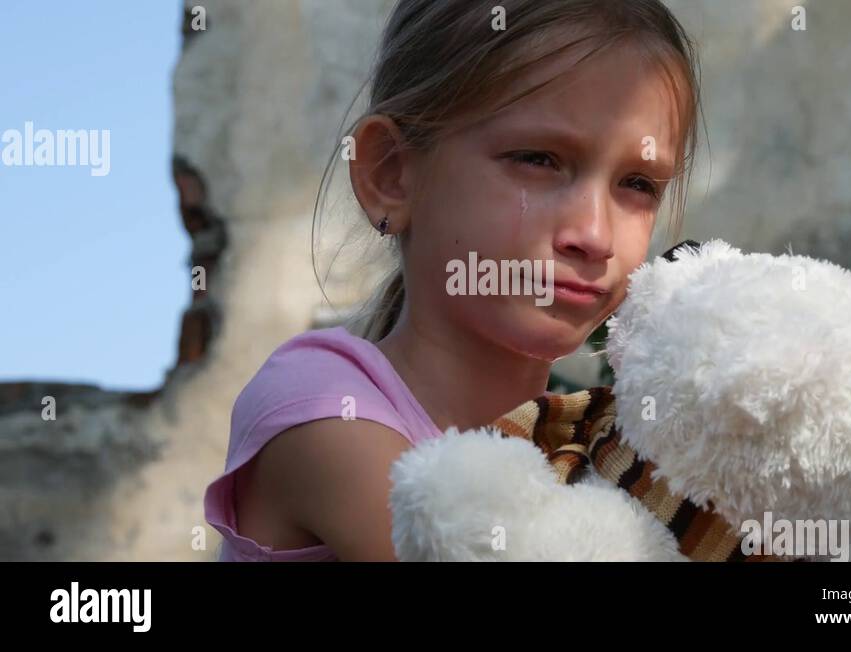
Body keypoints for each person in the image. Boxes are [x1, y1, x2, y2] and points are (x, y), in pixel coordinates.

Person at [204, 0, 702, 561]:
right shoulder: (318, 406)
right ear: (390, 173)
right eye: (537, 159)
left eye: (638, 183)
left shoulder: (596, 452)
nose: (593, 234)